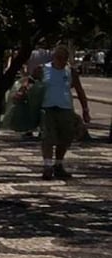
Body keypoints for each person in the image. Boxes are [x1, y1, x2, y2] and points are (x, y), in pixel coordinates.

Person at [39, 44, 92, 179]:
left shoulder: (70, 72)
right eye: (59, 58)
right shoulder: (43, 69)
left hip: (65, 108)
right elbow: (30, 82)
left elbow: (79, 91)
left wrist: (85, 109)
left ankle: (58, 165)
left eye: (64, 59)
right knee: (48, 137)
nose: (61, 61)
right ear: (54, 57)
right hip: (48, 108)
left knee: (65, 138)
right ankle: (47, 166)